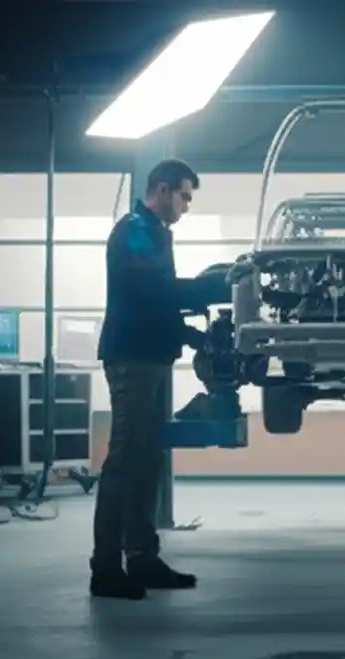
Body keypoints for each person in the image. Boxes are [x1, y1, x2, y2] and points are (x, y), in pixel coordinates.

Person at [91, 159, 202, 599]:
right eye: (184, 196)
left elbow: (157, 299)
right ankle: (105, 568)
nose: (186, 206)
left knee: (147, 458)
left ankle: (142, 558)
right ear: (161, 190)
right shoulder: (135, 230)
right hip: (132, 357)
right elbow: (152, 290)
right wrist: (206, 289)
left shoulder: (153, 232)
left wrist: (188, 332)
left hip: (150, 356)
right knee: (125, 460)